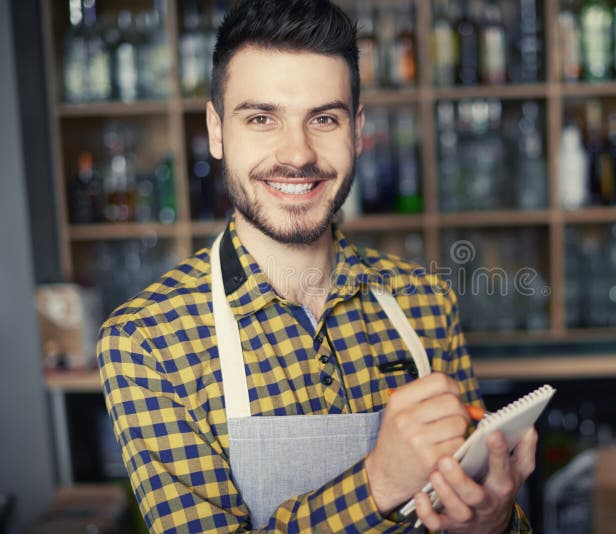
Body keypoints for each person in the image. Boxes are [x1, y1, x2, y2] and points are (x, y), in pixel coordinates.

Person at [97, 0, 538, 532]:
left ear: (356, 131)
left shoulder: (424, 302)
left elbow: (465, 503)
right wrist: (375, 484)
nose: (298, 153)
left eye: (323, 119)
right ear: (216, 131)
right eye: (261, 118)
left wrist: (491, 520)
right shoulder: (147, 343)